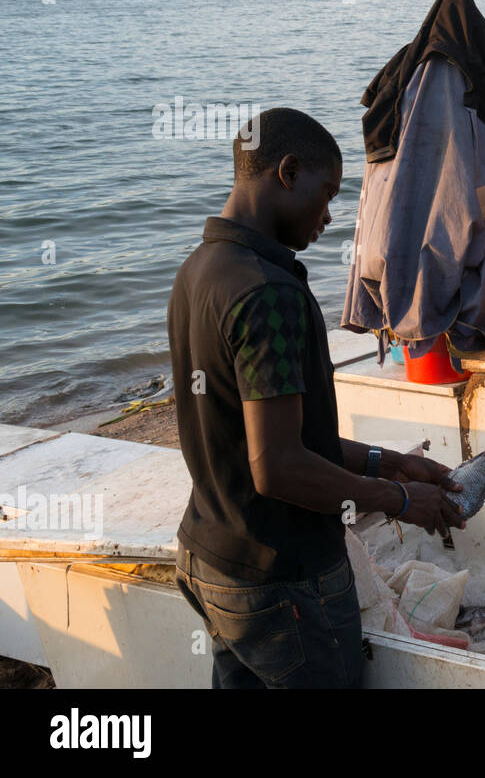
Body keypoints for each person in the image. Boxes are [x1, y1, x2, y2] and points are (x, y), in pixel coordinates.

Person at [167, 107, 467, 688]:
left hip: (211, 557)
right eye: (326, 194)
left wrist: (391, 461)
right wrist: (400, 498)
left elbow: (286, 439)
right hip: (283, 581)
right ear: (287, 172)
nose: (330, 216)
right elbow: (276, 466)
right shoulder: (267, 292)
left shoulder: (200, 269)